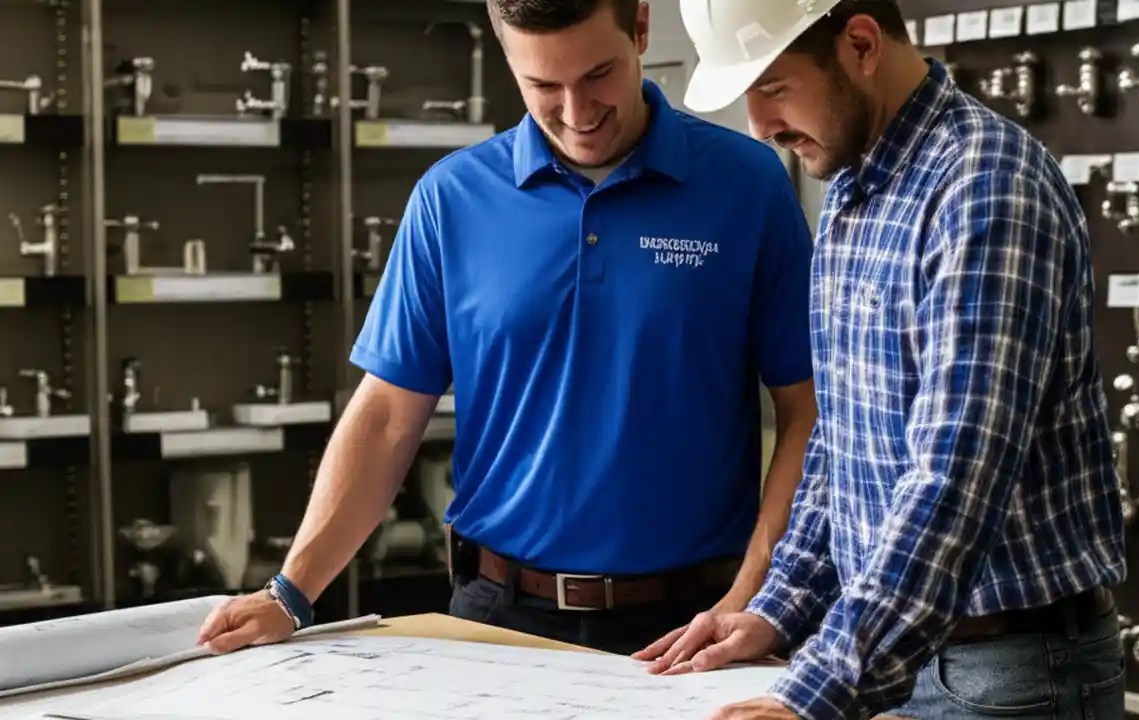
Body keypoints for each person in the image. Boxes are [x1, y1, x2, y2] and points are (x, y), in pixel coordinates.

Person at [194, 0, 818, 657]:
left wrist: (754, 597)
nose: (577, 114)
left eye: (598, 74)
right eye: (544, 86)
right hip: (498, 620)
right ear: (507, 58)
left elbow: (807, 411)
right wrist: (289, 594)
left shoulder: (748, 187)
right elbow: (386, 418)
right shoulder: (451, 200)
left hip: (696, 620)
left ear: (639, 27)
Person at [633, 1, 1129, 718]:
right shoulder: (854, 191)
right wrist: (774, 612)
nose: (759, 126)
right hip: (895, 654)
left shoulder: (984, 187)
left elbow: (954, 478)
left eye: (773, 88)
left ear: (861, 43)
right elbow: (841, 443)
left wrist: (818, 690)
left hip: (1007, 676)